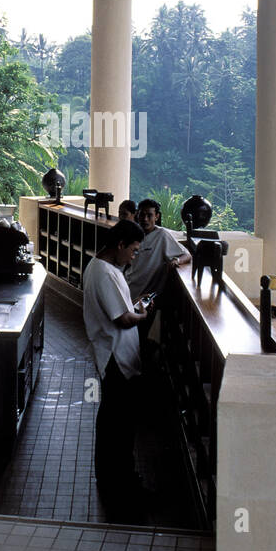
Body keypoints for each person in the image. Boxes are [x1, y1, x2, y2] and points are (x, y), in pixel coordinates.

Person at [83, 219, 150, 519]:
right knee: (117, 425)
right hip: (114, 357)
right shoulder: (105, 273)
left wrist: (131, 307)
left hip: (116, 356)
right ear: (120, 245)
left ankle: (118, 481)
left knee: (116, 422)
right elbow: (121, 319)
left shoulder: (102, 268)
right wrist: (141, 314)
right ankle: (117, 485)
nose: (134, 257)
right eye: (133, 250)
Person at [123, 198, 190, 303]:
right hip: (127, 286)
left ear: (156, 217)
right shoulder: (132, 233)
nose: (145, 219)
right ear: (137, 215)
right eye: (142, 215)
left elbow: (187, 255)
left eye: (149, 215)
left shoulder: (162, 235)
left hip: (145, 295)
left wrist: (176, 260)